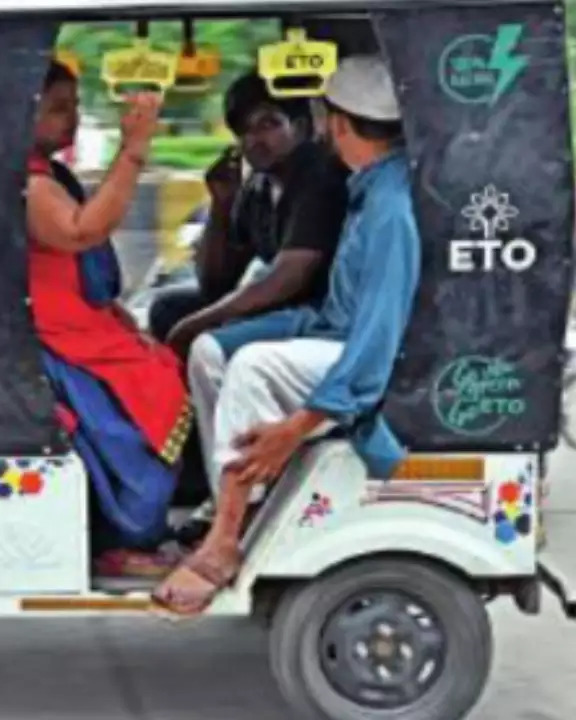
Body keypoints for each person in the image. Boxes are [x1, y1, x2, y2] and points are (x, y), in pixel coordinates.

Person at [153, 56, 421, 613]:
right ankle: (233, 499)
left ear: (334, 123)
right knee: (209, 351)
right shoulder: (363, 186)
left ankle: (224, 542)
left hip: (362, 354)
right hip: (326, 328)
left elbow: (375, 335)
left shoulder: (389, 207)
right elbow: (229, 279)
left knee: (253, 365)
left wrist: (298, 425)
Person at [25, 60, 194, 577]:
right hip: (61, 341)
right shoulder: (30, 183)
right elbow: (80, 231)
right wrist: (134, 149)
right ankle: (125, 538)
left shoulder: (49, 173)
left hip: (83, 326)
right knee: (137, 410)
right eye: (59, 108)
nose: (72, 118)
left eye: (74, 106)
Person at [151, 72, 351, 354]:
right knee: (168, 309)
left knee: (209, 337)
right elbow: (216, 284)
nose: (253, 139)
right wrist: (222, 204)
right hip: (280, 306)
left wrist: (198, 324)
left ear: (300, 128)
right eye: (244, 130)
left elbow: (288, 279)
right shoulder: (258, 187)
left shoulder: (318, 179)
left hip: (318, 312)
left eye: (268, 124)